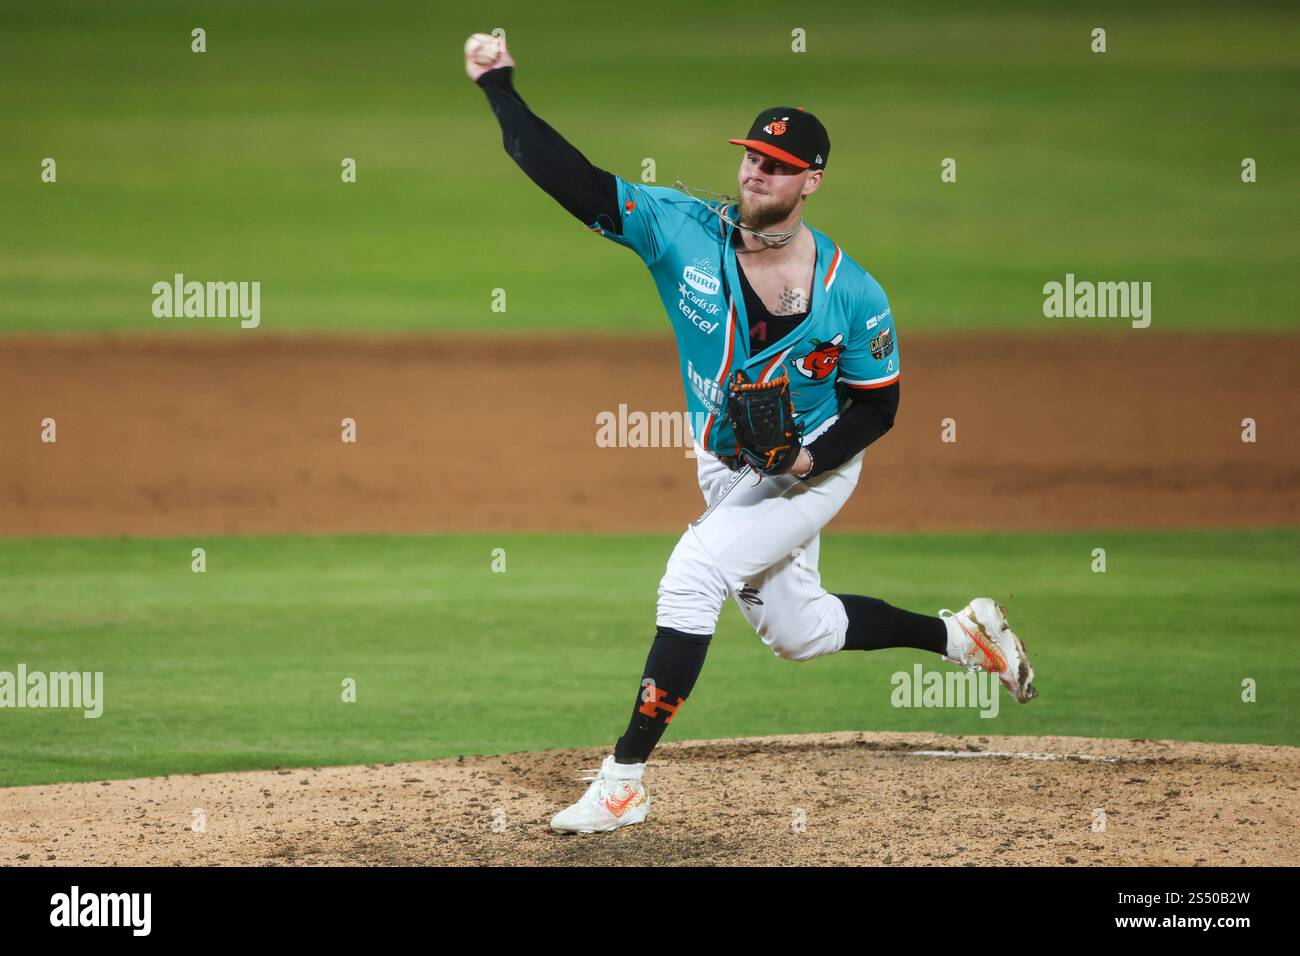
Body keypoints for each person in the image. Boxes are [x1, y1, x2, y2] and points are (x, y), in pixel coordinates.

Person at [467, 35, 1037, 835]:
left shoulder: (854, 294)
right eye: (750, 159)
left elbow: (878, 408)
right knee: (799, 633)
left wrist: (808, 457)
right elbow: (566, 174)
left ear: (810, 181)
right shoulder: (680, 231)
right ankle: (962, 635)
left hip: (816, 470)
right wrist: (499, 86)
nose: (754, 174)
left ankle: (624, 780)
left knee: (692, 574)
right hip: (723, 463)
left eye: (774, 165)